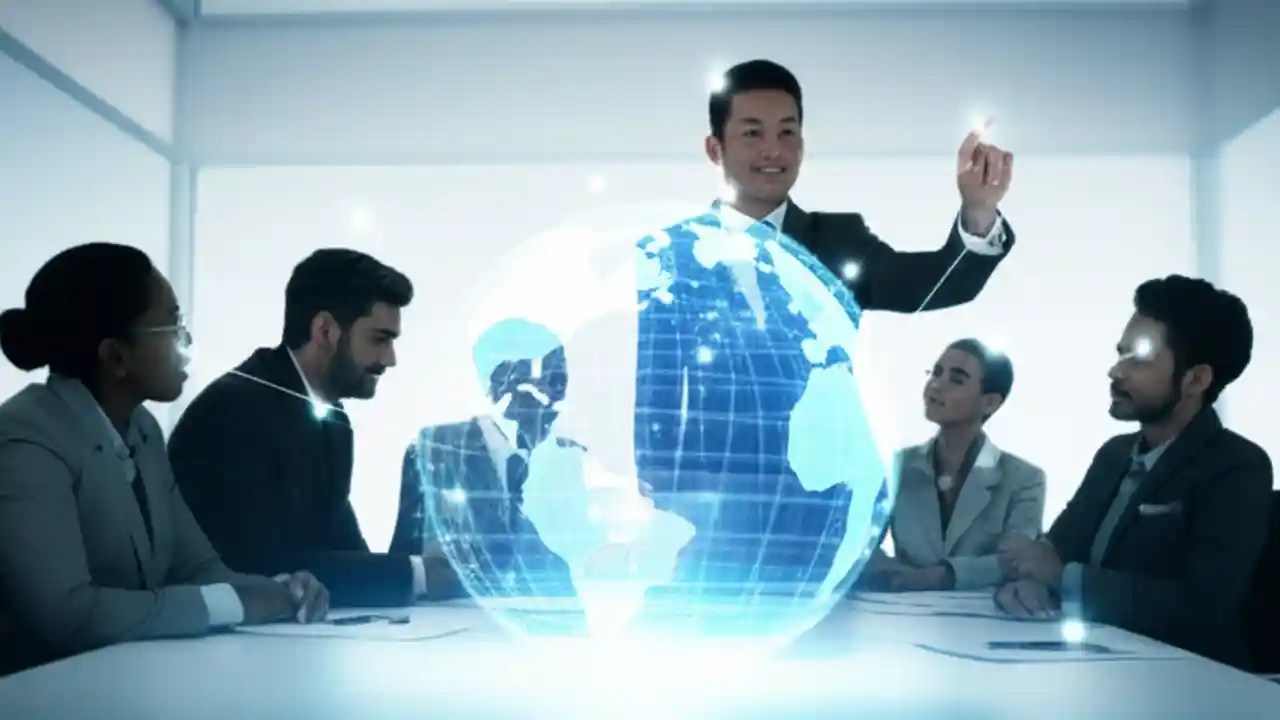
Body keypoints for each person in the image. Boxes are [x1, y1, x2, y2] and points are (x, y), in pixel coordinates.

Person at [0, 244, 326, 675]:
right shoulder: (27, 436)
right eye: (172, 325)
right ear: (115, 354)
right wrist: (235, 603)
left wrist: (284, 590)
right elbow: (67, 614)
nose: (185, 342)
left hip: (120, 683)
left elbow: (198, 568)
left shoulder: (142, 429)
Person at [995, 275, 1271, 669]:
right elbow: (1056, 550)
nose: (1115, 371)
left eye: (1138, 359)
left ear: (1196, 379)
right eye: (1121, 353)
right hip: (1095, 664)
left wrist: (1064, 578)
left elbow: (1205, 606)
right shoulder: (1114, 454)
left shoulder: (1237, 465)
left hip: (1186, 681)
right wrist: (1029, 582)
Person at [169, 249, 447, 607]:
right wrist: (423, 574)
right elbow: (262, 564)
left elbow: (343, 549)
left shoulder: (331, 420)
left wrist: (419, 572)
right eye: (379, 339)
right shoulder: (234, 412)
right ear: (325, 330)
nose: (389, 359)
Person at [705, 59, 1016, 312]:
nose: (773, 149)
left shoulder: (837, 242)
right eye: (752, 133)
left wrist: (978, 210)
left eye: (786, 132)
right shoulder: (670, 254)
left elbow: (934, 285)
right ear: (715, 149)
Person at [391, 319, 576, 596]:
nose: (556, 397)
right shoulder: (436, 450)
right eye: (548, 379)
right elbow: (406, 563)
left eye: (561, 380)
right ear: (501, 381)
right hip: (451, 627)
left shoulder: (566, 460)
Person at [863, 339, 1044, 592]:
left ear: (990, 402)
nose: (936, 386)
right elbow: (861, 544)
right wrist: (887, 572)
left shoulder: (1024, 479)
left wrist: (938, 577)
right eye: (936, 373)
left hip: (980, 619)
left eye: (956, 380)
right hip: (901, 610)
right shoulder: (896, 467)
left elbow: (1017, 561)